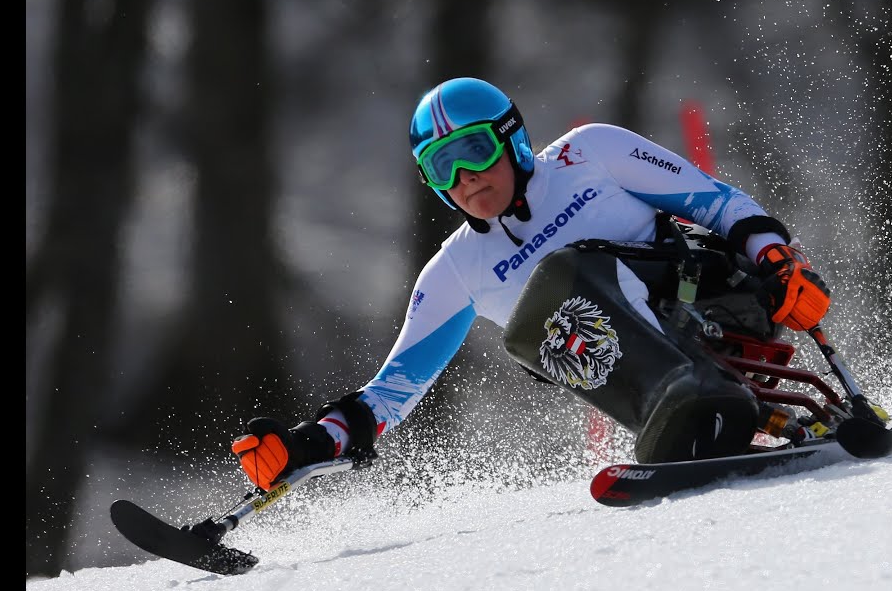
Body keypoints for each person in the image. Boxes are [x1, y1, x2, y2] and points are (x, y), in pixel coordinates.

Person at [231, 77, 831, 491]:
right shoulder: (456, 269)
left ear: (512, 139)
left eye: (473, 151)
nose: (465, 178)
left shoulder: (589, 154)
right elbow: (389, 394)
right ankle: (687, 413)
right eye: (444, 167)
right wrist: (305, 446)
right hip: (642, 382)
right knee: (539, 322)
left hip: (719, 306)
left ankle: (696, 399)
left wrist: (777, 260)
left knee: (562, 278)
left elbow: (718, 204)